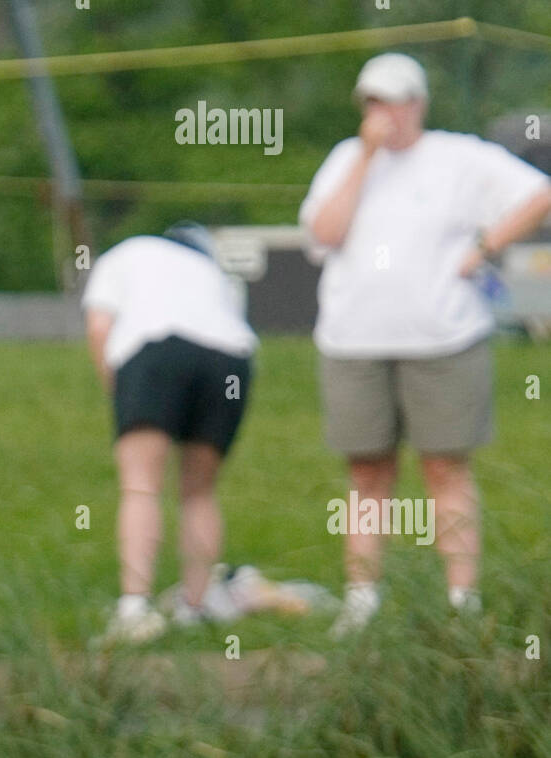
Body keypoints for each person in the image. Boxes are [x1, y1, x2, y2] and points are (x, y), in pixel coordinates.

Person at [300, 53, 551, 636]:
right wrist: (364, 156)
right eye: (372, 102)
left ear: (417, 103)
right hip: (353, 341)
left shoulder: (458, 157)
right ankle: (361, 601)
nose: (382, 113)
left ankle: (462, 602)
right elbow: (323, 232)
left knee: (446, 467)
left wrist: (485, 248)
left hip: (444, 339)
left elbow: (539, 193)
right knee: (366, 473)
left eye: (392, 100)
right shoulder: (345, 159)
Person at [82, 221, 257, 643]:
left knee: (141, 485)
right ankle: (194, 607)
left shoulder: (126, 252)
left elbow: (99, 328)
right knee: (199, 491)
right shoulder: (215, 275)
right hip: (232, 360)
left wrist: (121, 395)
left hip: (158, 350)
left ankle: (135, 608)